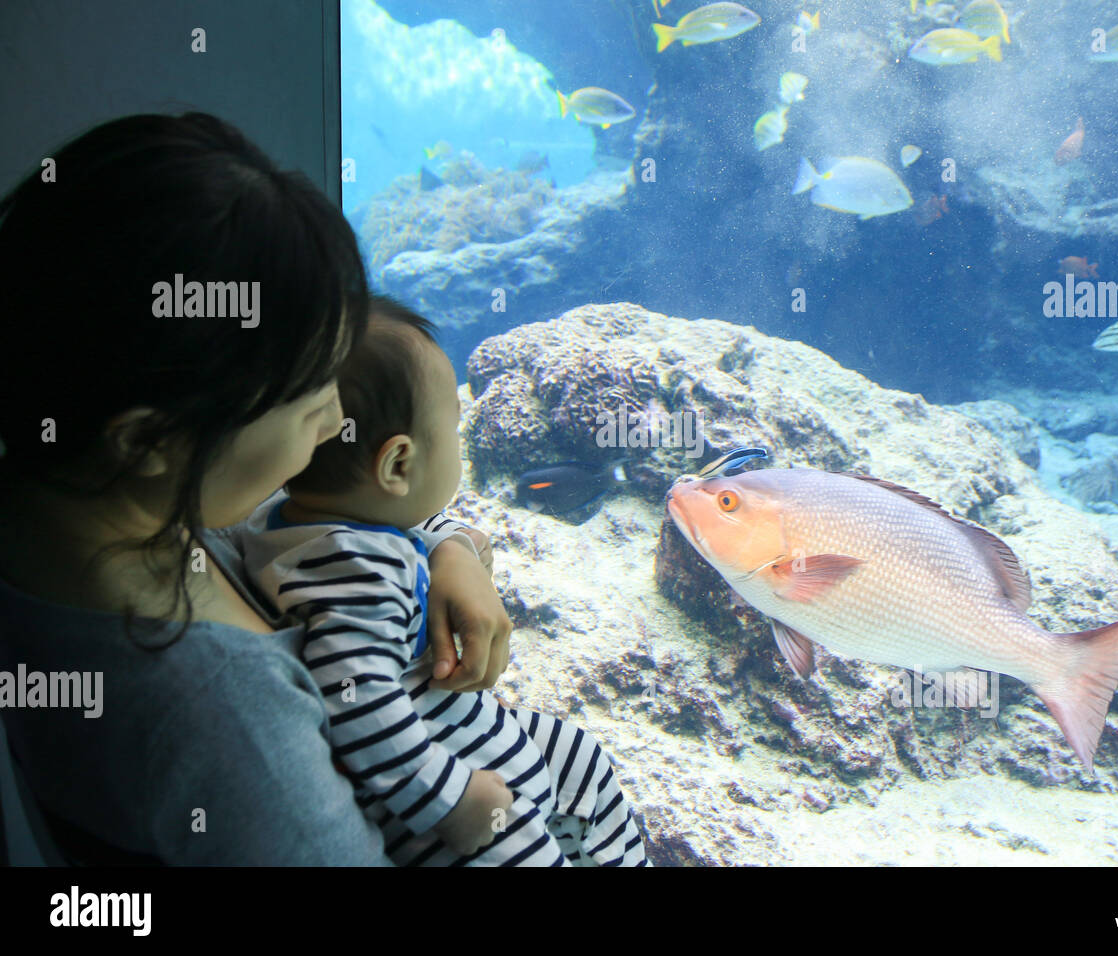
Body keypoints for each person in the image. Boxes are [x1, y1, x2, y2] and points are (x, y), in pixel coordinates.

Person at [0, 112, 649, 865]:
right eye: (312, 399)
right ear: (149, 440)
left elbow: (328, 526)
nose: (338, 420)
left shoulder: (79, 504)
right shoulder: (226, 716)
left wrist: (450, 552)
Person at [237, 296, 646, 865]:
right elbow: (356, 705)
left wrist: (450, 544)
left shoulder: (285, 514)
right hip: (458, 811)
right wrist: (450, 802)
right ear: (398, 465)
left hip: (478, 743)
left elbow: (412, 525)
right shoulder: (361, 571)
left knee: (579, 753)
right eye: (453, 429)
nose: (460, 441)